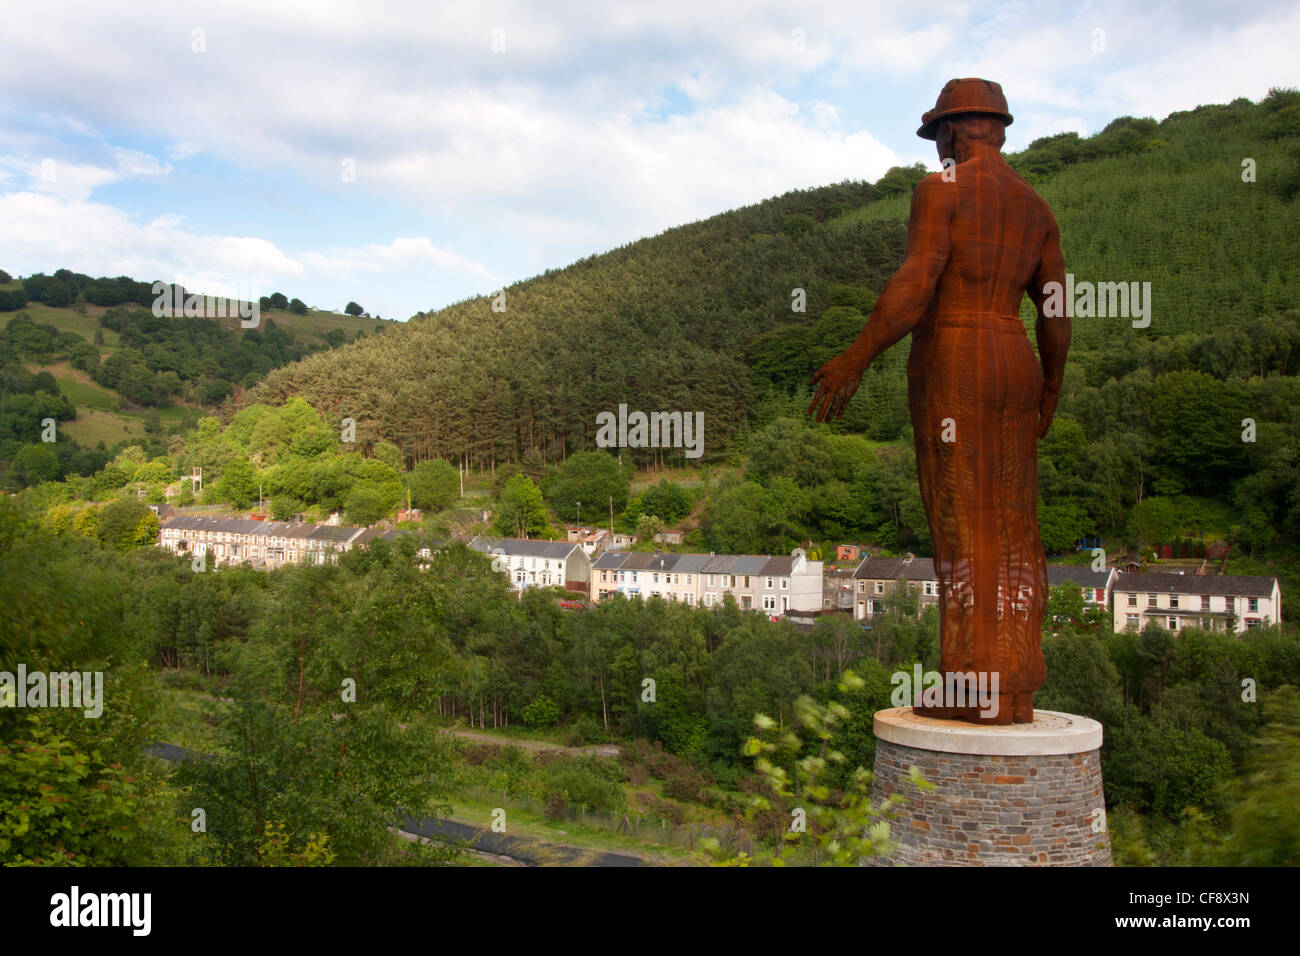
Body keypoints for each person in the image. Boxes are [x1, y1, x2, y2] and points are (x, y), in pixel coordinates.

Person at [808, 78, 1071, 724]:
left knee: (960, 515)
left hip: (956, 356)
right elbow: (1058, 310)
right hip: (1016, 360)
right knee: (1013, 520)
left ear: (952, 133)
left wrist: (856, 357)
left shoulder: (941, 191)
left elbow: (916, 281)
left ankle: (971, 683)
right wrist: (1052, 385)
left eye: (938, 139)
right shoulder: (1035, 208)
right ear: (999, 129)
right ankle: (1014, 683)